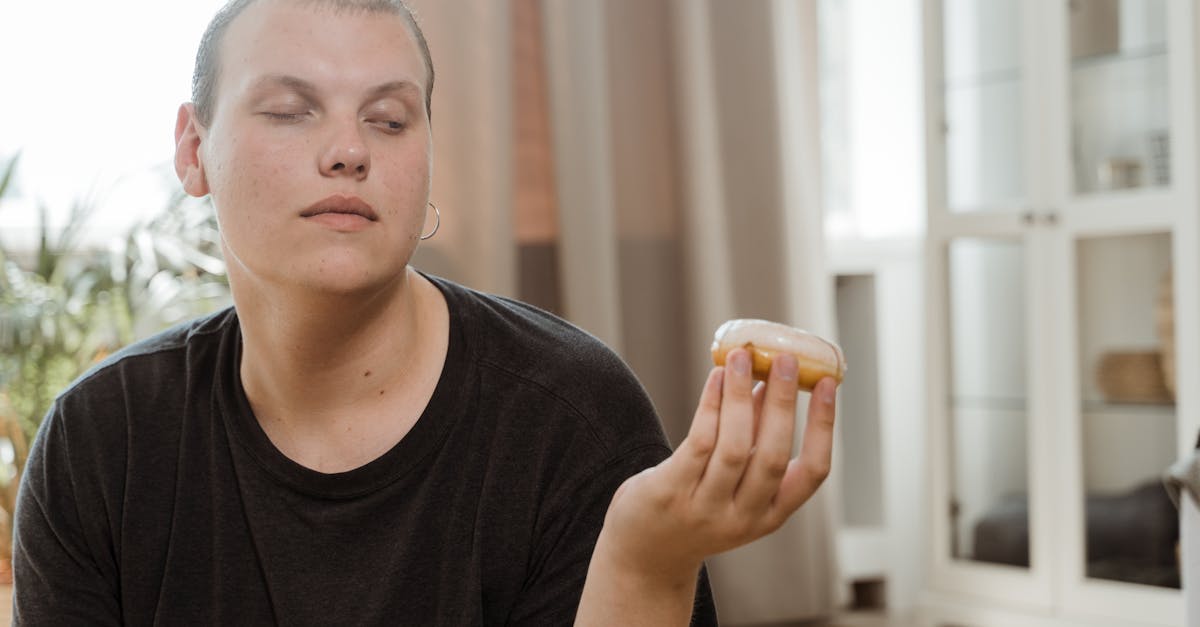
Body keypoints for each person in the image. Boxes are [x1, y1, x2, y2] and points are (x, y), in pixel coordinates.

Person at [11, 0, 839, 624]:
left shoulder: (573, 418)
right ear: (194, 150)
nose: (349, 149)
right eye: (291, 109)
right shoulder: (101, 444)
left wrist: (640, 559)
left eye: (390, 118)